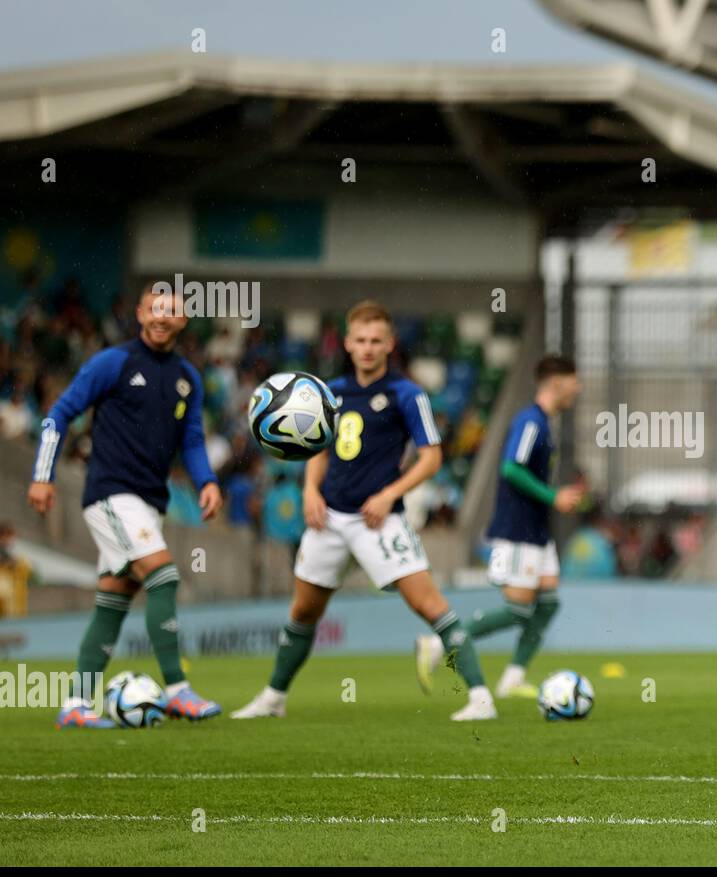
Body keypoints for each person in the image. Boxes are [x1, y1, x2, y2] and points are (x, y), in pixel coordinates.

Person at [232, 300, 492, 721]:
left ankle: (480, 696)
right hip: (329, 518)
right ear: (347, 343)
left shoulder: (405, 393)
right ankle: (273, 697)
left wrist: (390, 494)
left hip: (380, 521)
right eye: (361, 340)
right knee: (302, 612)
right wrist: (309, 492)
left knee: (430, 606)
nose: (368, 348)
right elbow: (317, 448)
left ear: (389, 344)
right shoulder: (328, 392)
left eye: (377, 340)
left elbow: (431, 458)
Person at [28, 285, 224, 728]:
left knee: (112, 603)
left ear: (184, 319)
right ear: (139, 313)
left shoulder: (186, 378)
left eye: (171, 311)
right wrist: (43, 475)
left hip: (149, 502)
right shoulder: (112, 362)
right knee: (164, 575)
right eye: (154, 308)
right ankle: (177, 691)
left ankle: (76, 704)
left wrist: (207, 481)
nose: (162, 317)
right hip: (110, 494)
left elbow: (191, 439)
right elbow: (58, 414)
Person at [421, 355, 583, 700]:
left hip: (538, 531)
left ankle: (513, 677)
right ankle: (440, 642)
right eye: (574, 380)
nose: (578, 388)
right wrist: (552, 496)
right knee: (517, 610)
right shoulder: (530, 422)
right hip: (518, 530)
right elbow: (511, 468)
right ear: (556, 382)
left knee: (549, 603)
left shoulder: (544, 423)